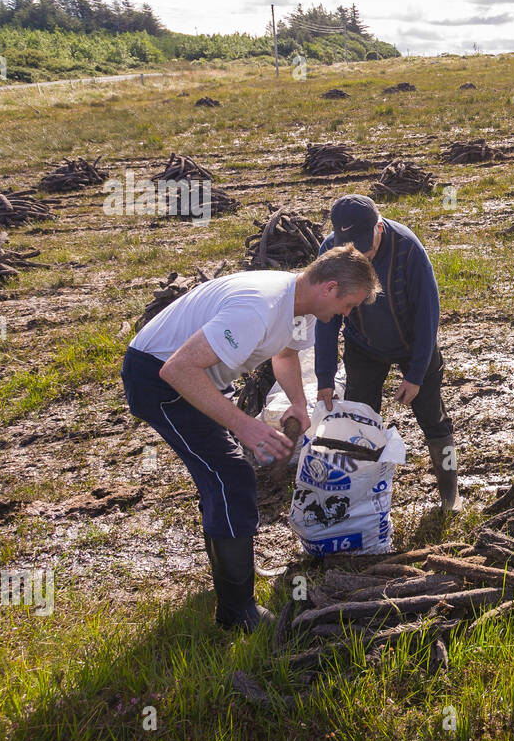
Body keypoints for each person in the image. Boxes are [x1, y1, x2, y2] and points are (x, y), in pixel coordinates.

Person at [122, 245, 381, 631]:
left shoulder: (299, 305)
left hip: (192, 377)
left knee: (219, 477)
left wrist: (298, 404)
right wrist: (245, 425)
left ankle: (230, 573)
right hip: (160, 380)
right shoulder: (259, 307)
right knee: (231, 476)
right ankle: (236, 611)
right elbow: (178, 369)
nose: (345, 315)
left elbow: (285, 355)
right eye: (348, 305)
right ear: (329, 288)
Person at [312, 194, 460, 510]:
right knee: (359, 424)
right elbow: (325, 318)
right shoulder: (330, 253)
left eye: (366, 246)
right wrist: (324, 376)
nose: (360, 255)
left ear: (379, 226)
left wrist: (416, 373)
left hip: (412, 344)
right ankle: (361, 497)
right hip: (363, 346)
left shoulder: (409, 249)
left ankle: (450, 492)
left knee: (434, 419)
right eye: (351, 247)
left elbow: (428, 315)